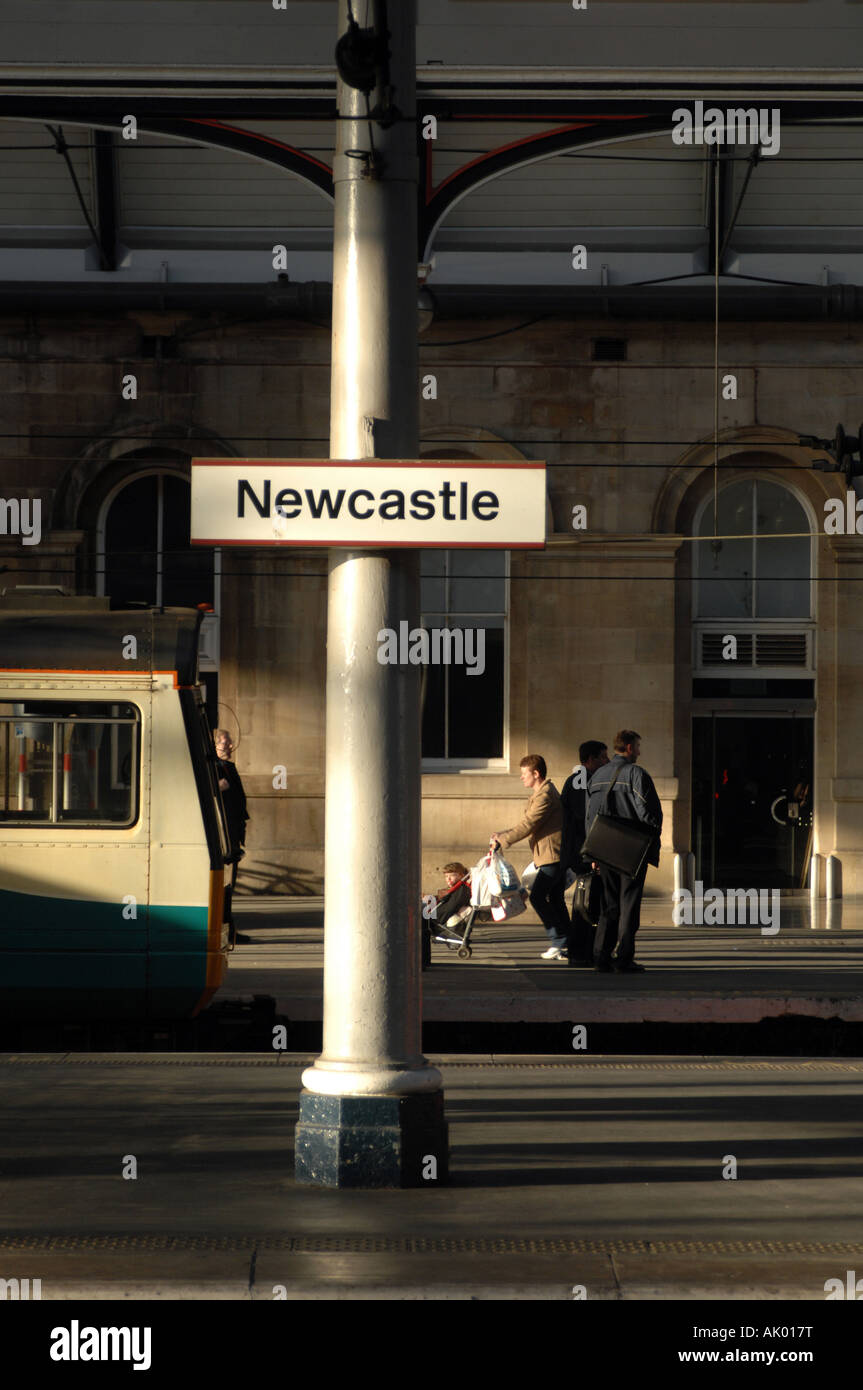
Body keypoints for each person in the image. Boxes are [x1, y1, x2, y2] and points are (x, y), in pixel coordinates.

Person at [585, 729, 662, 974]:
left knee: (609, 904)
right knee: (629, 904)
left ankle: (601, 956)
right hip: (631, 849)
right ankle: (624, 957)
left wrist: (592, 853)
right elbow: (649, 814)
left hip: (604, 849)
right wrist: (651, 837)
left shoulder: (597, 775)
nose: (639, 751)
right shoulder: (636, 774)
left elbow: (590, 818)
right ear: (629, 747)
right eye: (637, 746)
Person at [491, 754, 570, 962]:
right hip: (550, 854)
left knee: (537, 897)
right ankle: (568, 941)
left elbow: (529, 824)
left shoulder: (545, 796)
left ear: (536, 774)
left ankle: (559, 940)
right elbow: (528, 823)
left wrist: (503, 840)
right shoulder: (541, 793)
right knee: (555, 898)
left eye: (524, 774)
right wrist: (503, 833)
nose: (521, 778)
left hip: (551, 855)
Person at [561, 739, 609, 966]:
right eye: (602, 757)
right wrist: (593, 854)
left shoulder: (576, 780)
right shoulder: (584, 782)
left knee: (586, 900)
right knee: (588, 901)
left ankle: (581, 950)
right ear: (590, 760)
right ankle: (582, 951)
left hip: (579, 851)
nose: (606, 761)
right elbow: (587, 821)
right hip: (585, 853)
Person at [214, 728, 250, 946]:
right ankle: (227, 931)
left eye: (229, 742)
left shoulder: (229, 767)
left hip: (233, 834)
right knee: (223, 886)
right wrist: (219, 787)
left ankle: (230, 931)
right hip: (223, 835)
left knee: (229, 886)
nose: (228, 746)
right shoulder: (213, 769)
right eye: (223, 742)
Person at [426, 862, 472, 943]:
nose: (448, 879)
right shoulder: (458, 888)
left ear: (461, 875)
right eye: (446, 876)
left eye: (452, 875)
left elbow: (450, 907)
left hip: (436, 919)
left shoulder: (462, 890)